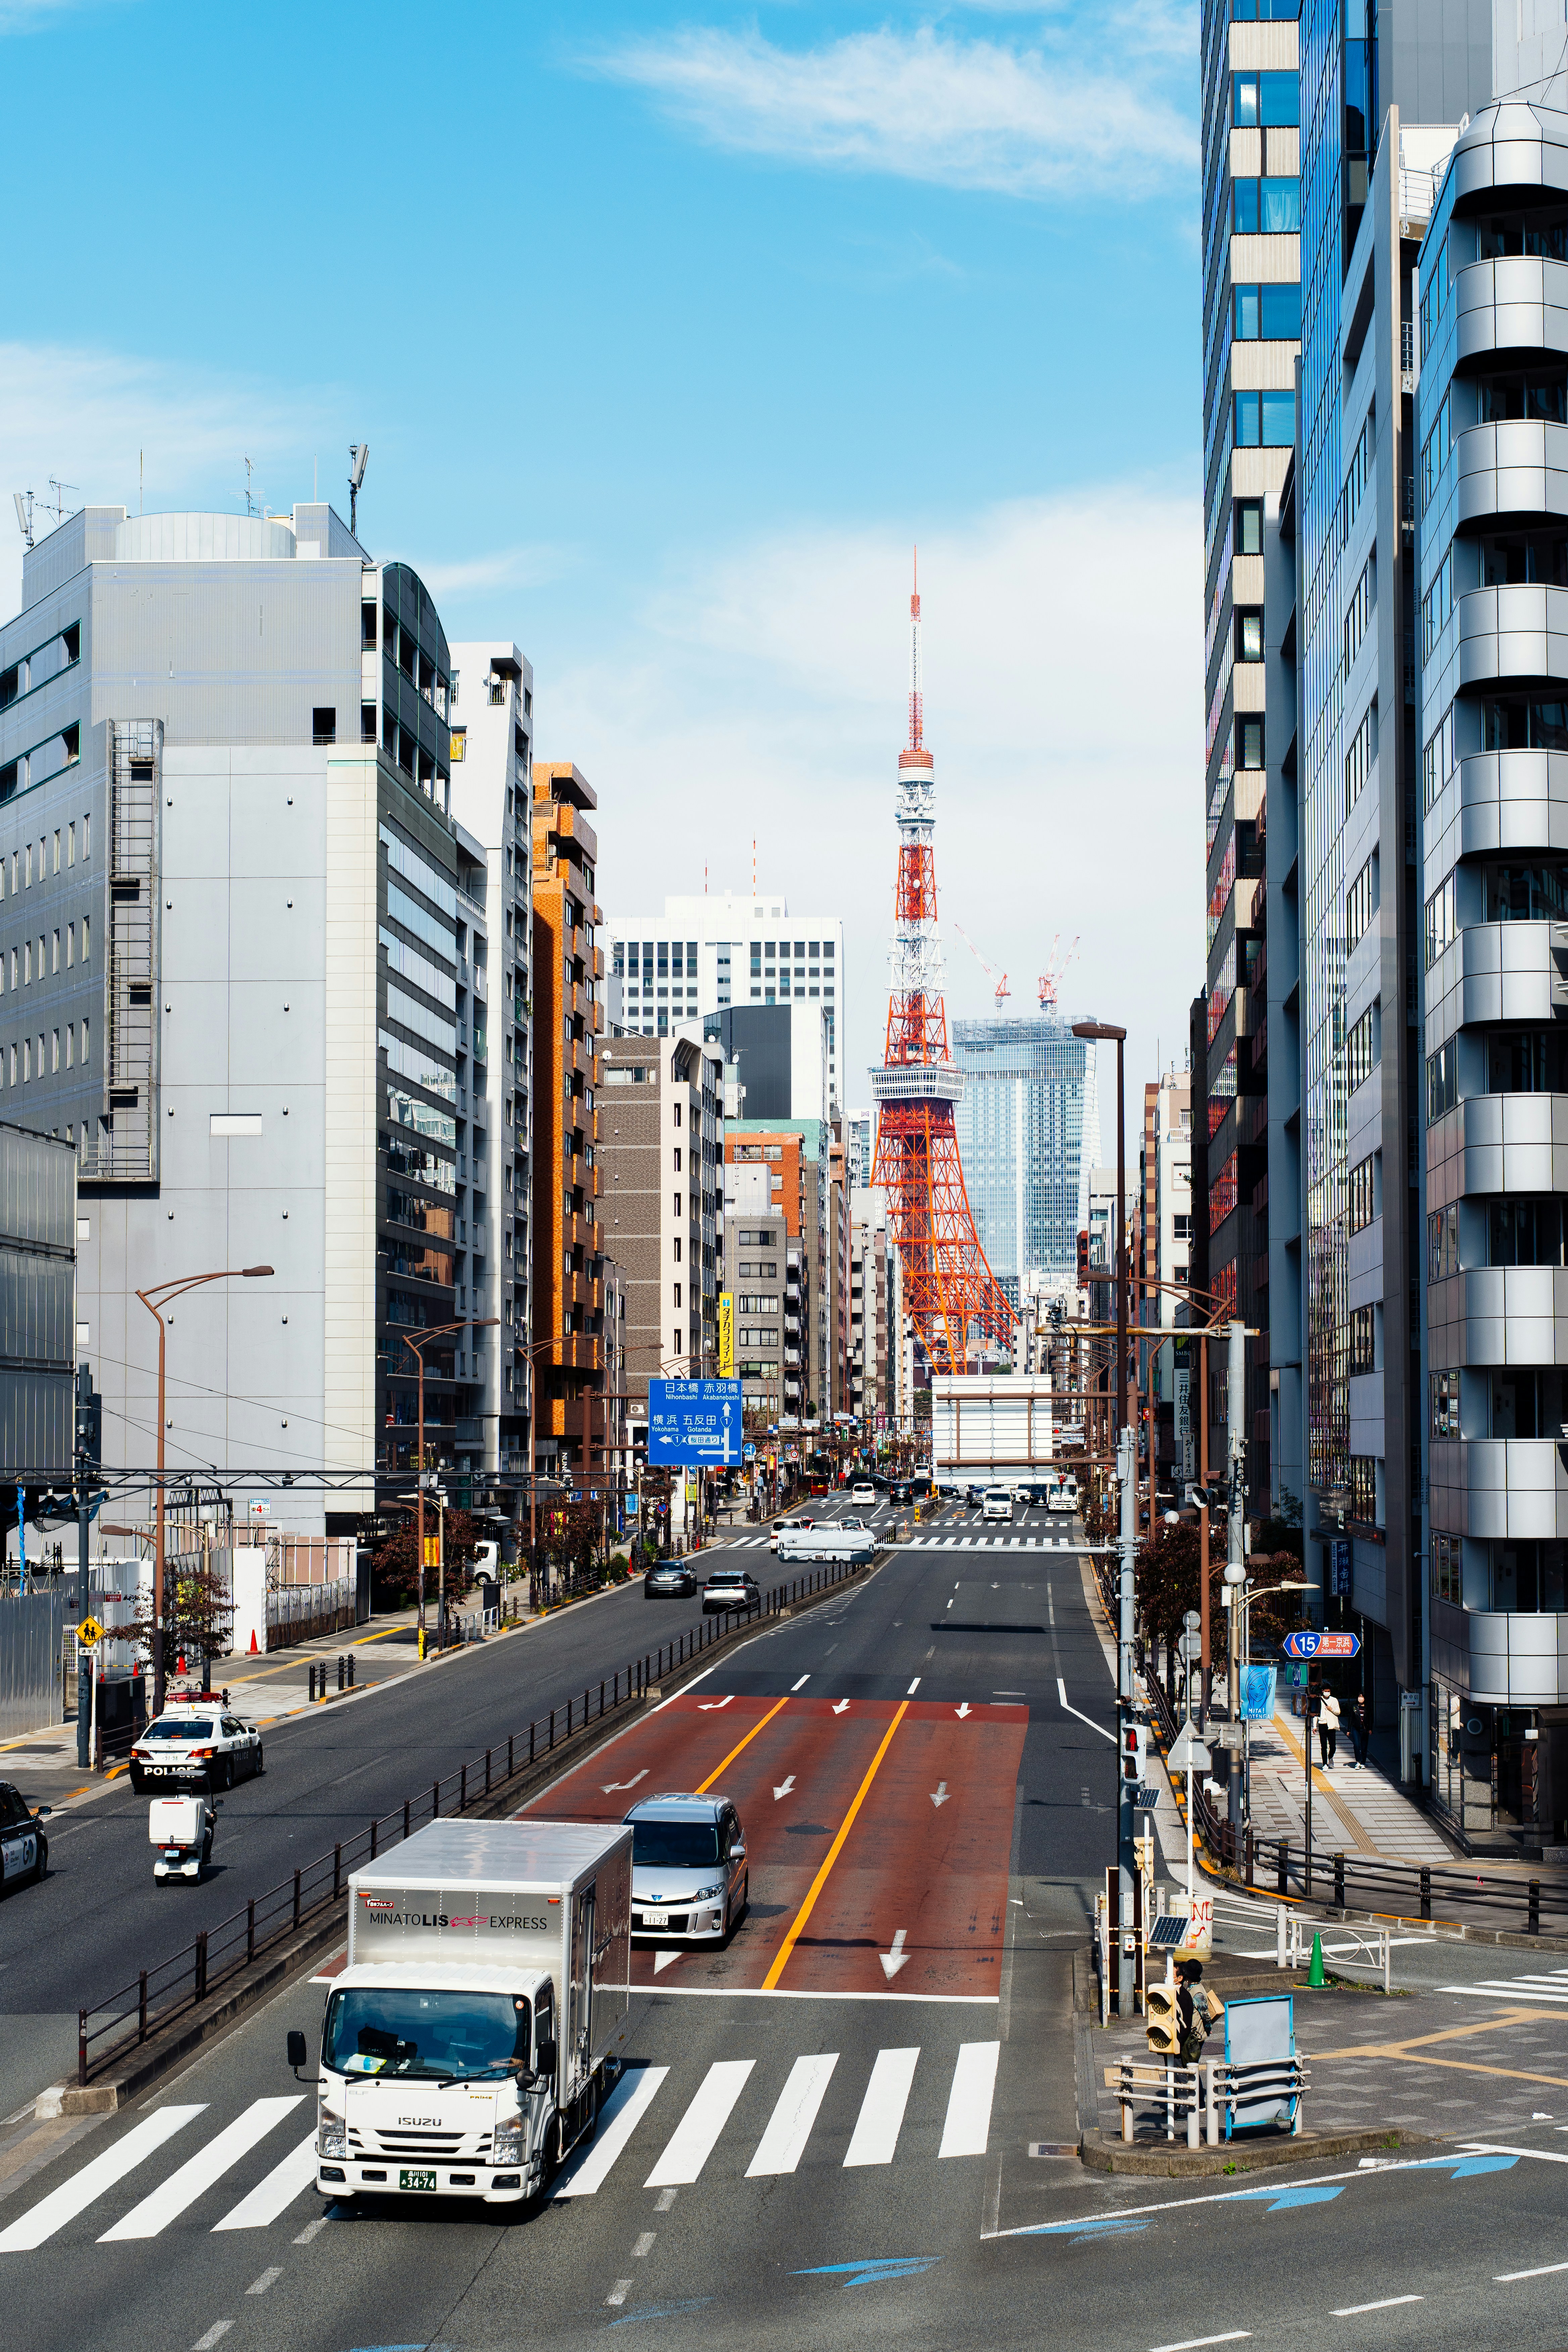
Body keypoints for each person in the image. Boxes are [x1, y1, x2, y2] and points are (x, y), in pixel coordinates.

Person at [1176, 1960, 1223, 2065]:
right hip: (1194, 2034)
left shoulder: (1197, 1993)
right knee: (1190, 2065)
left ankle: (1197, 2083)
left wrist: (1208, 2029)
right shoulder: (1192, 1988)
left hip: (1195, 2037)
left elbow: (1206, 2016)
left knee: (1191, 2065)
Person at [1318, 1686, 1341, 1768]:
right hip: (1322, 1724)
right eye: (1326, 1691)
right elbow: (1316, 1715)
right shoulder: (1319, 1700)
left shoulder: (1334, 1700)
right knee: (1324, 1746)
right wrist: (1314, 1727)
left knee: (1333, 1746)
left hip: (1331, 1725)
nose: (1327, 1692)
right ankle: (1325, 1764)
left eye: (1328, 1691)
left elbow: (1338, 1712)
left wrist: (1332, 1710)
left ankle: (1330, 1757)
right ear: (1323, 1691)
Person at [1349, 1690, 1369, 1768]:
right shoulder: (1355, 1707)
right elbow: (1351, 1719)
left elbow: (1370, 1719)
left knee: (1364, 1746)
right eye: (1359, 1697)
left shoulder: (1367, 1708)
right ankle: (1359, 1761)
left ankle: (1363, 1763)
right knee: (1357, 1745)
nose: (1361, 1698)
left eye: (1362, 1697)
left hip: (1365, 1729)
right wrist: (1349, 1730)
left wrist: (1370, 1728)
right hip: (1356, 1728)